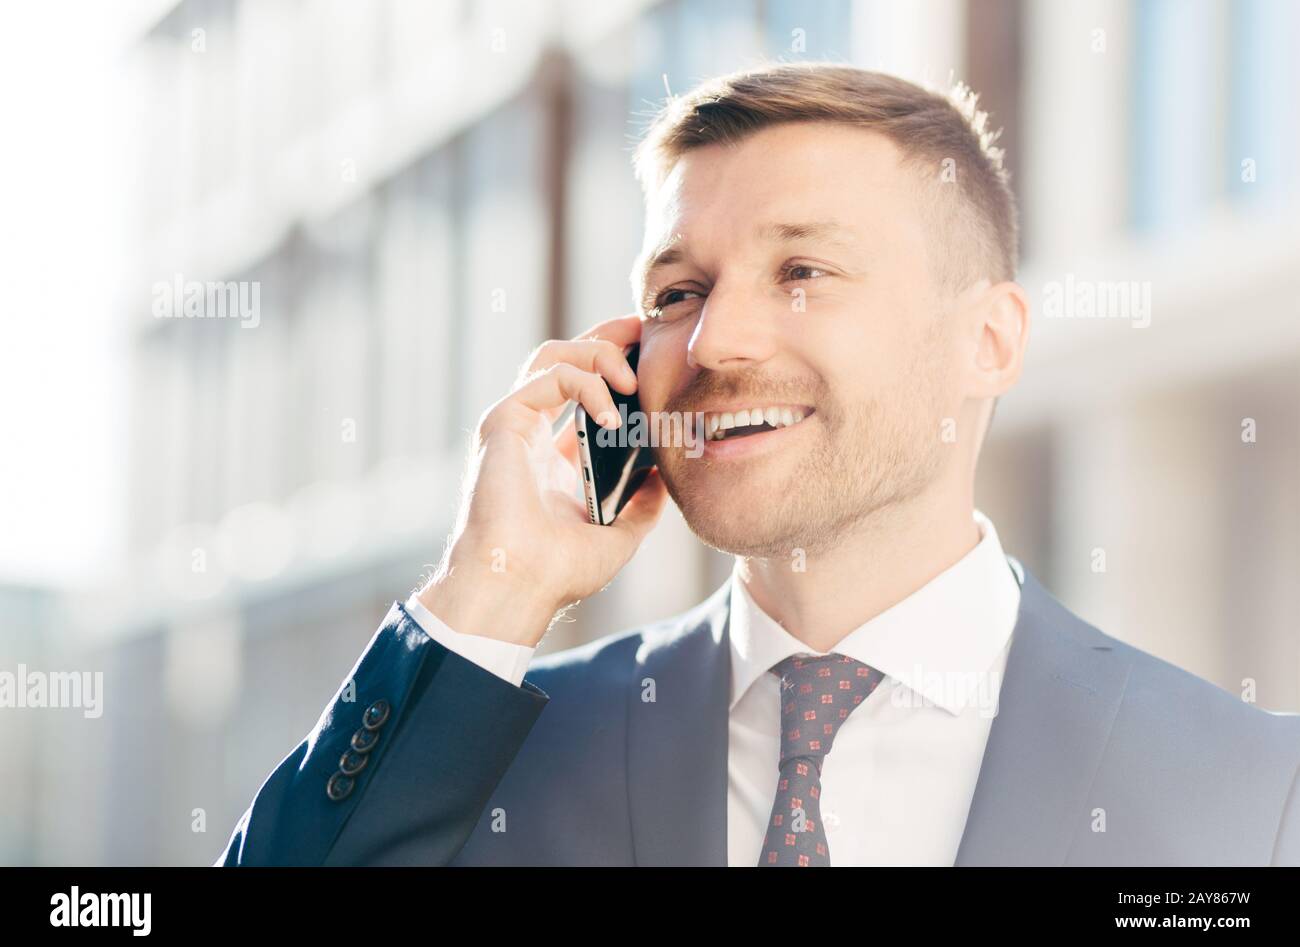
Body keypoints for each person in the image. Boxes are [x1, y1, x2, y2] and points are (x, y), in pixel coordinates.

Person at [218, 63, 1300, 866]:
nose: (718, 341)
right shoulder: (480, 756)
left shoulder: (1254, 791)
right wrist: (488, 588)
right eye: (677, 291)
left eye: (802, 270)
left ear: (990, 341)